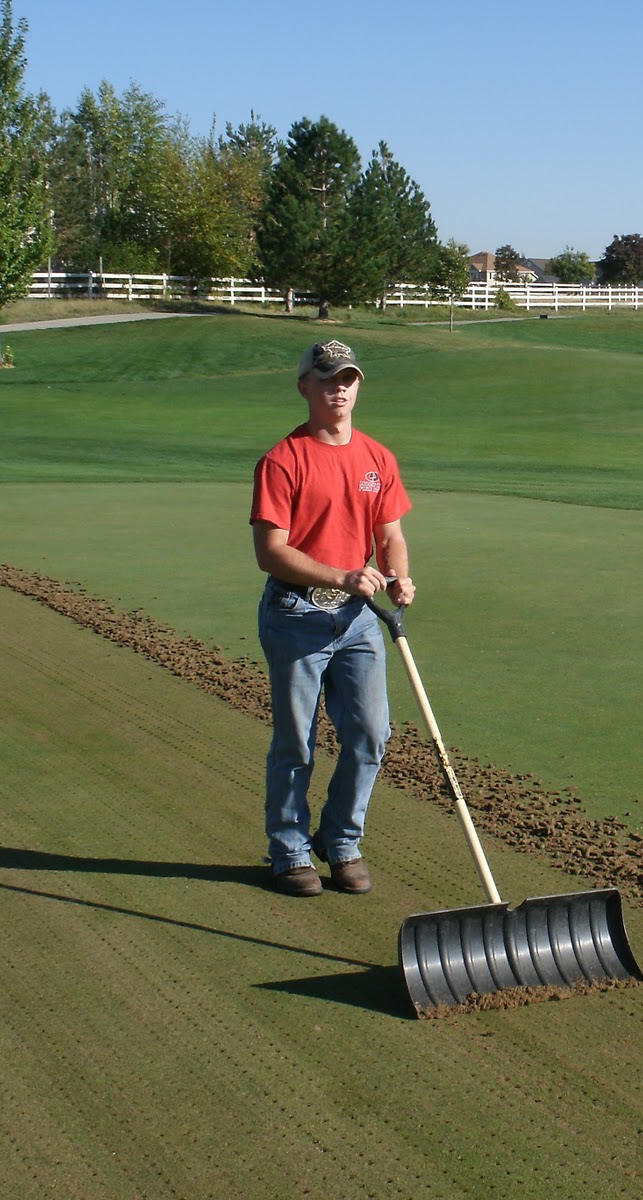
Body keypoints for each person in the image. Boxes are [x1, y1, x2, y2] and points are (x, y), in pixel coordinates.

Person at [250, 339, 414, 896]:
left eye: (347, 379)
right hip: (295, 613)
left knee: (370, 734)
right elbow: (271, 552)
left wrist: (397, 577)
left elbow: (389, 535)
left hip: (360, 616)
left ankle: (340, 842)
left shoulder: (377, 458)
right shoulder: (283, 460)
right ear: (305, 388)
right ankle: (290, 850)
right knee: (297, 742)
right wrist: (341, 575)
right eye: (326, 380)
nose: (338, 388)